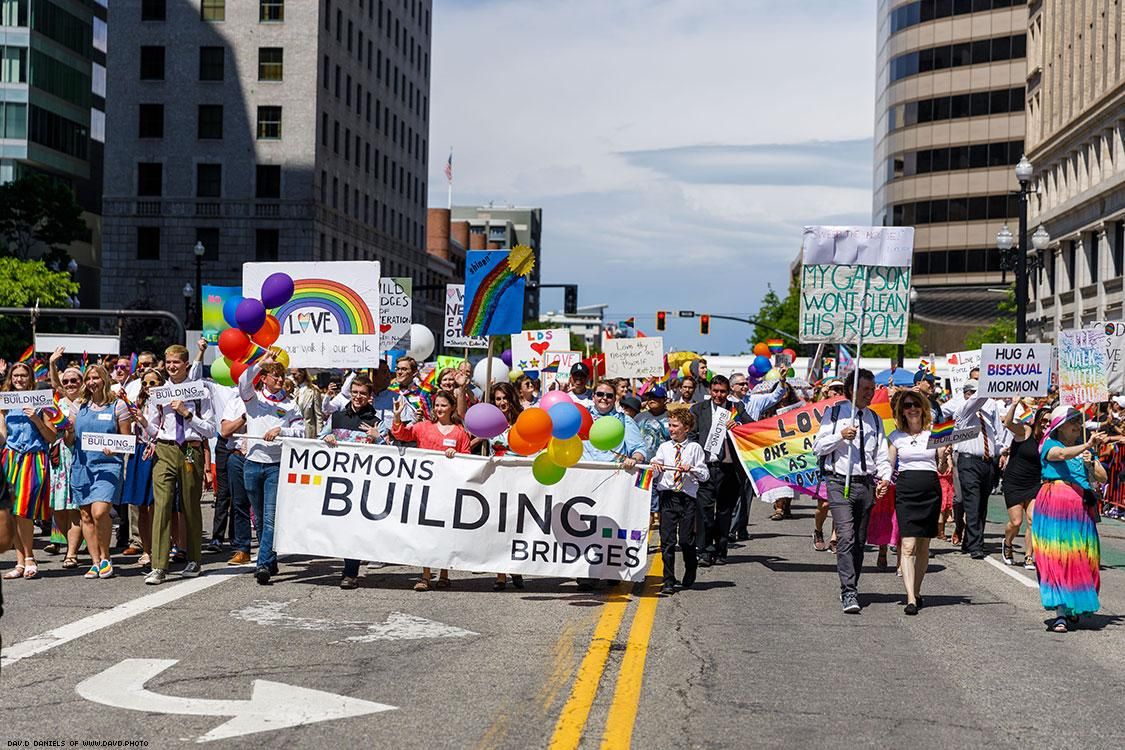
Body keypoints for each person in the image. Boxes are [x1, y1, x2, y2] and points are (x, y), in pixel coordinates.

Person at [812, 368, 892, 613]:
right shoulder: (835, 413)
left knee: (858, 539)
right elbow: (818, 446)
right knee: (845, 535)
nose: (870, 394)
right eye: (866, 389)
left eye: (872, 389)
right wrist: (840, 436)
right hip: (839, 482)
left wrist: (885, 477)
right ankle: (848, 591)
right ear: (852, 390)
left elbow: (881, 454)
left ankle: (852, 584)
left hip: (865, 484)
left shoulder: (875, 419)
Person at [140, 345, 215, 585]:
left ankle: (194, 559)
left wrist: (187, 414)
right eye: (168, 362)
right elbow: (154, 427)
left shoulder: (199, 391)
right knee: (161, 505)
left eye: (176, 362)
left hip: (190, 448)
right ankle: (159, 565)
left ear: (186, 364)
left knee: (190, 504)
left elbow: (210, 429)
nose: (172, 366)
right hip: (164, 448)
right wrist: (142, 422)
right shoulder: (159, 392)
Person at [1034, 405, 1105, 633]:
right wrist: (1086, 446)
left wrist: (1091, 460)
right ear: (1059, 426)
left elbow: (1102, 478)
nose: (1078, 425)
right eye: (1073, 421)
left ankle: (1074, 606)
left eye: (1079, 421)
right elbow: (1061, 455)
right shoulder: (1050, 444)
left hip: (1081, 507)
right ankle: (1060, 613)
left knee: (1083, 555)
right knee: (1058, 555)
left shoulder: (1085, 450)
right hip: (1055, 503)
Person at [390, 389, 471, 591]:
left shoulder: (459, 432)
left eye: (443, 405)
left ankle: (444, 573)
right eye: (436, 405)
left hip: (449, 489)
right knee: (426, 533)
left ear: (451, 407)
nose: (439, 409)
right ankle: (425, 575)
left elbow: (468, 458)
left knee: (446, 532)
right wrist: (398, 416)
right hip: (425, 488)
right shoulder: (423, 427)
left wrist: (457, 455)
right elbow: (401, 434)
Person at [236, 356, 305, 585]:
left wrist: (281, 430)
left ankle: (263, 564)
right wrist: (259, 363)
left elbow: (301, 431)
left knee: (271, 519)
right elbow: (242, 382)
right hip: (252, 463)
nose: (279, 379)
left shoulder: (290, 404)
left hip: (276, 465)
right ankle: (271, 557)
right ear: (264, 379)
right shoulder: (254, 400)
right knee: (259, 517)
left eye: (281, 375)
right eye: (274, 375)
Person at [884, 390, 951, 615]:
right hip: (906, 492)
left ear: (923, 408)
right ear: (901, 412)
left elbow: (942, 468)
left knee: (923, 545)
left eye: (915, 405)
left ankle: (917, 590)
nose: (911, 409)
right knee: (908, 544)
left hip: (930, 490)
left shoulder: (936, 433)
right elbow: (889, 465)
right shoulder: (895, 436)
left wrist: (944, 457)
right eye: (906, 406)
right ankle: (910, 597)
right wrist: (883, 480)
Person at [67, 364, 131, 579]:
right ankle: (95, 561)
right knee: (85, 514)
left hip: (108, 465)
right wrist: (65, 430)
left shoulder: (118, 406)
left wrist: (115, 446)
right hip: (81, 465)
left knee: (100, 512)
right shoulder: (79, 405)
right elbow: (70, 440)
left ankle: (106, 557)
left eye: (96, 378)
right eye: (89, 378)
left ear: (104, 380)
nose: (92, 382)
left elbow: (127, 440)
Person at [321, 375, 386, 589]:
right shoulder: (337, 417)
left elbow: (390, 453)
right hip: (337, 482)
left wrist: (379, 437)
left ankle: (350, 572)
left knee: (354, 528)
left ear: (370, 397)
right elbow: (319, 439)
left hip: (363, 483)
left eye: (363, 394)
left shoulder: (376, 421)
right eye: (355, 392)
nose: (358, 397)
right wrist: (326, 438)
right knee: (338, 527)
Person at [0, 361, 56, 581]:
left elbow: (52, 436)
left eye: (23, 376)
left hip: (34, 458)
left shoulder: (41, 402)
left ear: (30, 378)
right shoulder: (5, 402)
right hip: (10, 458)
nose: (19, 380)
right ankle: (20, 561)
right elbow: (3, 435)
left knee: (23, 508)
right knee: (11, 512)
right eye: (15, 376)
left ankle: (31, 558)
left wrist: (35, 418)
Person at [689, 375, 747, 565]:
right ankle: (705, 551)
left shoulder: (736, 408)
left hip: (728, 469)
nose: (718, 395)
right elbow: (690, 434)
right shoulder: (698, 409)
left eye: (722, 391)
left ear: (728, 392)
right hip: (705, 467)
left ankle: (721, 550)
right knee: (704, 511)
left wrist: (737, 425)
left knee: (724, 511)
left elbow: (752, 426)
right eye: (715, 391)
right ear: (710, 391)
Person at [650, 410, 709, 596]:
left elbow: (705, 475)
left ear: (687, 428)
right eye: (670, 425)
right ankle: (668, 579)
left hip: (687, 499)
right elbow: (655, 469)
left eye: (675, 426)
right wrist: (656, 467)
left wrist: (691, 469)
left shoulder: (694, 448)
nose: (671, 429)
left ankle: (691, 568)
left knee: (685, 540)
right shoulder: (664, 447)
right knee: (667, 541)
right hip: (668, 497)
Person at [949, 379, 1000, 559]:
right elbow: (975, 401)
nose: (972, 395)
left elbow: (998, 433)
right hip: (968, 462)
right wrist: (990, 385)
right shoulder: (963, 411)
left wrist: (1000, 453)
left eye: (974, 391)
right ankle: (976, 545)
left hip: (987, 462)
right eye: (969, 392)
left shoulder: (988, 411)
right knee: (972, 502)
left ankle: (970, 540)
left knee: (982, 505)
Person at [121, 368, 162, 568]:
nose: (148, 387)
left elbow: (163, 431)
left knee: (156, 505)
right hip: (139, 451)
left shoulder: (164, 405)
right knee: (141, 507)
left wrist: (143, 420)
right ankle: (146, 549)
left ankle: (159, 548)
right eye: (145, 383)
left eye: (152, 383)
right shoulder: (139, 402)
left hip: (156, 451)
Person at [1000, 400, 1049, 568]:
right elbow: (1007, 423)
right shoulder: (1026, 431)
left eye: (1049, 421)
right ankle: (1007, 543)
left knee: (1032, 520)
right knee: (1015, 522)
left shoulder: (1048, 439)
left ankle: (1029, 556)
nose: (1046, 424)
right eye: (1043, 420)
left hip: (1033, 483)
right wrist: (1014, 405)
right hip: (1014, 481)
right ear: (1037, 420)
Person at [47, 348, 83, 569]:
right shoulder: (58, 400)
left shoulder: (87, 402)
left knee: (75, 508)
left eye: (74, 380)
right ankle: (65, 540)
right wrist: (52, 363)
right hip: (58, 458)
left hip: (79, 457)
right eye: (67, 381)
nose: (70, 384)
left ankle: (71, 553)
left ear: (82, 383)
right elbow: (54, 384)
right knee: (58, 508)